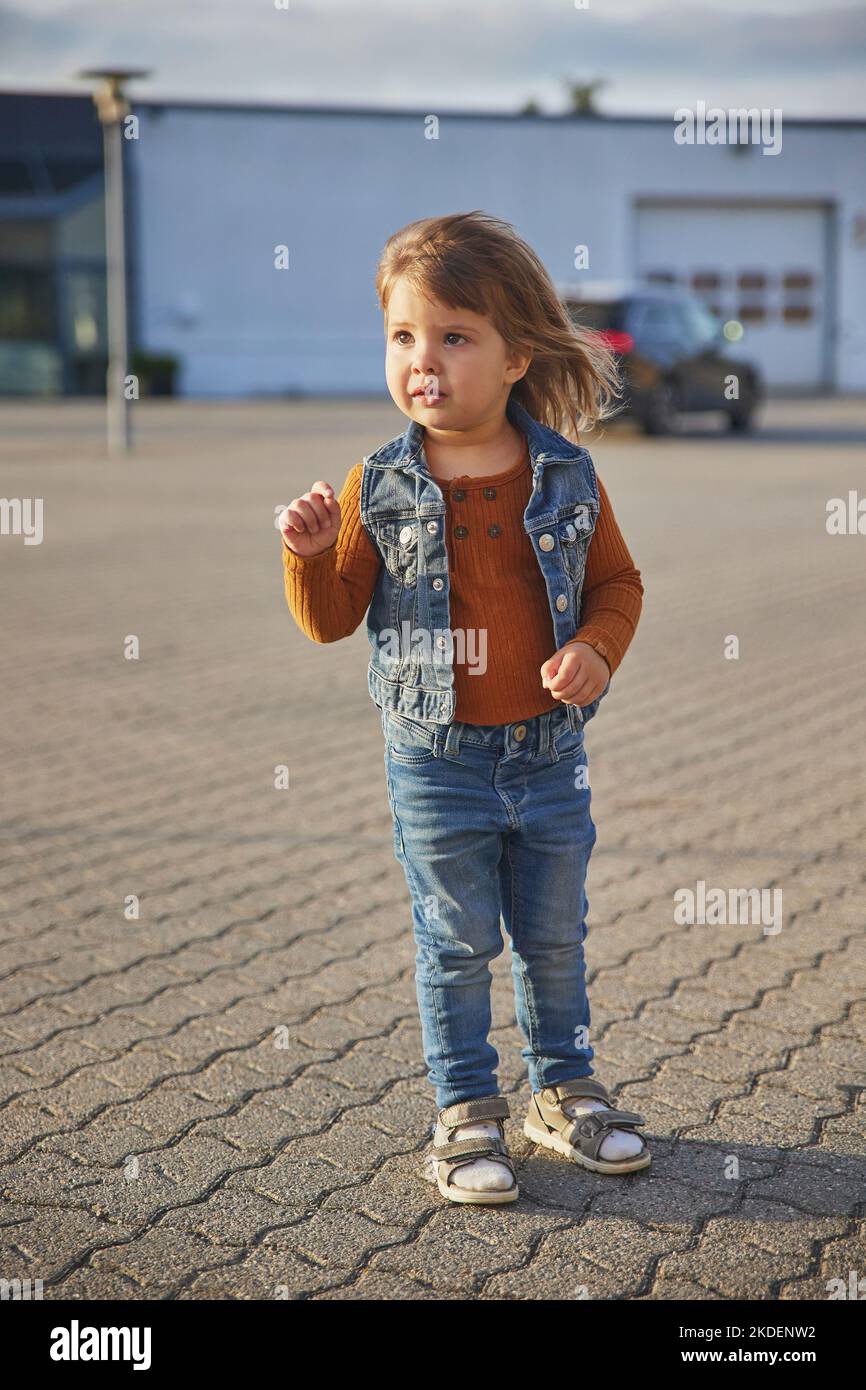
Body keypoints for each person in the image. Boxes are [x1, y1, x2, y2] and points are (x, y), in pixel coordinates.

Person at [277, 210, 650, 1206]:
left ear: (515, 355)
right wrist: (310, 556)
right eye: (402, 336)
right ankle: (465, 1111)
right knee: (455, 942)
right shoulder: (377, 485)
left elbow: (618, 586)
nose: (422, 359)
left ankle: (562, 1092)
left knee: (554, 931)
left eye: (453, 335)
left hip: (545, 754)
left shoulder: (566, 475)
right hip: (434, 761)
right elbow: (330, 620)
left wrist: (592, 652)